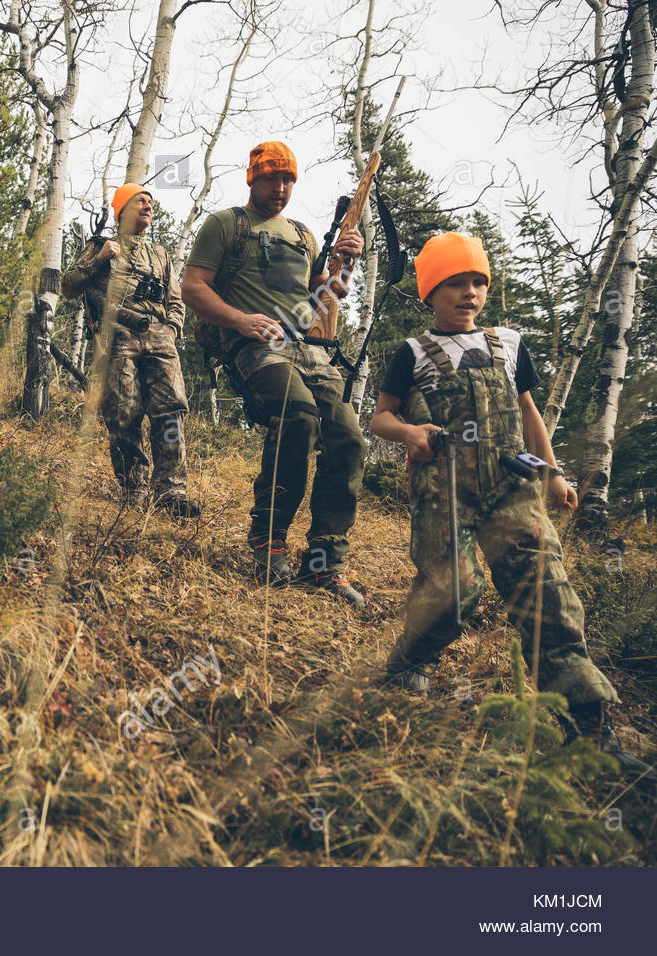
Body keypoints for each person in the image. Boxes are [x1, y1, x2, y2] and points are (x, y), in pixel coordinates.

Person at [370, 232, 649, 773]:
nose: (468, 293)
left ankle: (590, 729)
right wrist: (409, 433)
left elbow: (529, 416)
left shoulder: (509, 345)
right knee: (453, 591)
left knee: (551, 599)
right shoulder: (412, 353)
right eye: (454, 283)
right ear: (430, 292)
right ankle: (408, 664)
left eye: (478, 281)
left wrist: (552, 475)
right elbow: (381, 417)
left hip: (513, 488)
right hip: (442, 490)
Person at [182, 142, 367, 605]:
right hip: (255, 347)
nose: (280, 188)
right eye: (271, 179)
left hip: (308, 350)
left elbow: (322, 301)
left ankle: (324, 561)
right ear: (252, 178)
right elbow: (192, 287)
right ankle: (269, 538)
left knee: (347, 437)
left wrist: (347, 263)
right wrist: (240, 320)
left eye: (288, 180)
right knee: (298, 414)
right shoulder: (227, 224)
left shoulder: (303, 236)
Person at [61, 183, 201, 518]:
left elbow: (175, 299)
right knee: (124, 413)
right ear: (121, 209)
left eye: (151, 201)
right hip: (117, 338)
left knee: (170, 411)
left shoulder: (160, 253)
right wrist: (100, 258)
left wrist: (173, 327)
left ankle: (171, 491)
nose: (148, 205)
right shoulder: (101, 245)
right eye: (140, 200)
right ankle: (134, 489)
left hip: (160, 339)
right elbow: (68, 285)